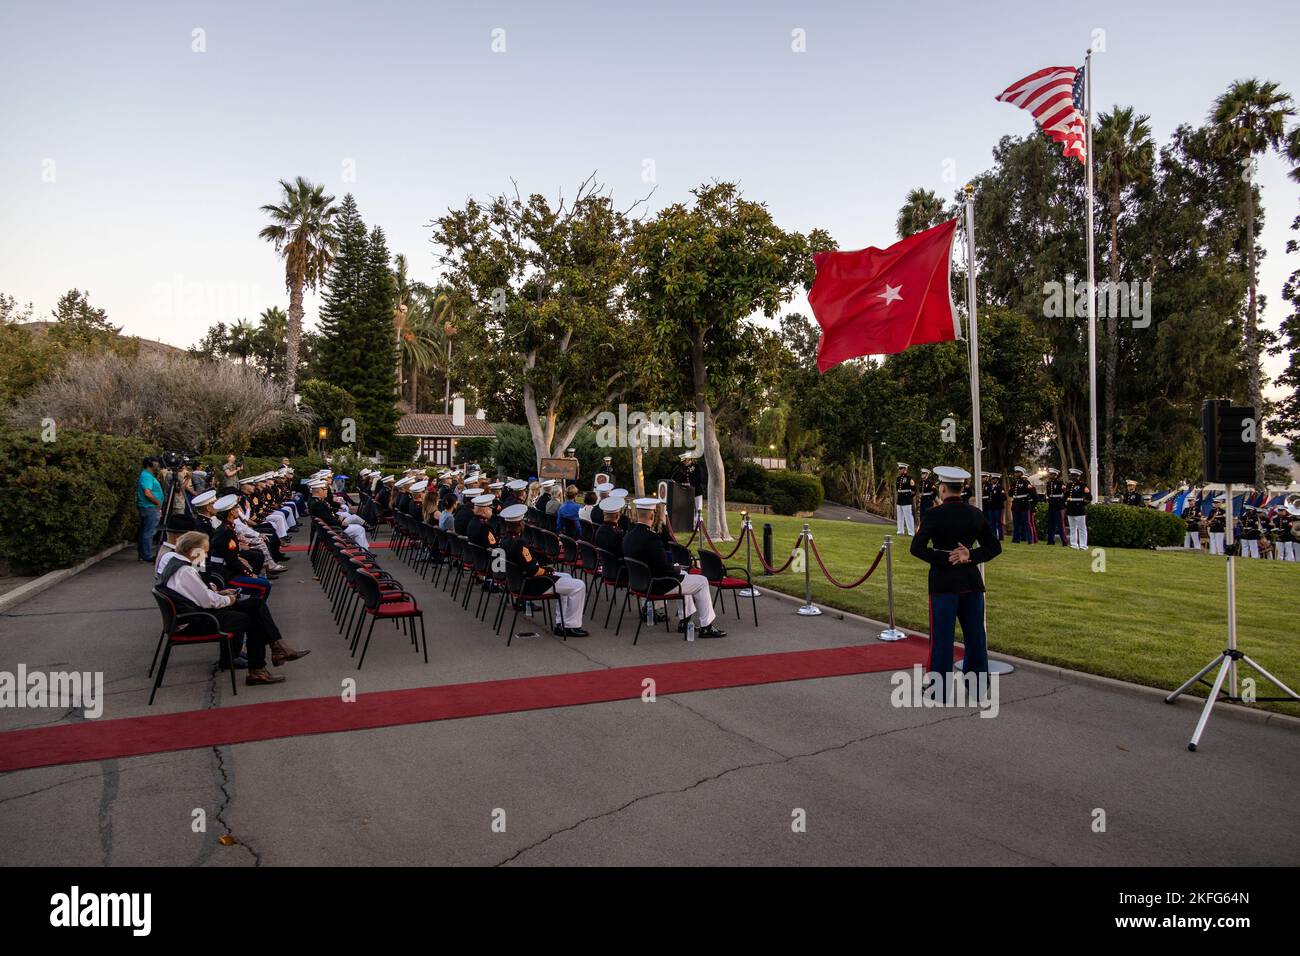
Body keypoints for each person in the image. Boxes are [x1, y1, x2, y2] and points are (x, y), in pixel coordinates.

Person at [154, 532, 308, 686]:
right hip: (197, 620)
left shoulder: (177, 563)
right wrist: (229, 599)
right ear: (193, 551)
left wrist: (218, 592)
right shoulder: (185, 571)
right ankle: (259, 669)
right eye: (205, 551)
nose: (206, 555)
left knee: (256, 604)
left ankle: (277, 648)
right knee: (255, 619)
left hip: (192, 614)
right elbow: (208, 601)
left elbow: (197, 593)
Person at [909, 466, 1001, 701]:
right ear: (962, 488)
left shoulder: (934, 514)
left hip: (944, 583)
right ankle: (979, 686)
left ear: (942, 488)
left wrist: (943, 558)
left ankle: (939, 689)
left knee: (942, 637)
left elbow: (917, 548)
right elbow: (994, 547)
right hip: (971, 582)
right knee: (975, 635)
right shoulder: (975, 513)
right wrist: (969, 555)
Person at [622, 497, 726, 637]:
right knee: (702, 581)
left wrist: (678, 571)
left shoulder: (628, 536)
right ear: (652, 515)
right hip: (658, 584)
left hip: (639, 582)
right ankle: (706, 625)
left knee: (686, 577)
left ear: (636, 514)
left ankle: (685, 620)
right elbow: (663, 568)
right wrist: (676, 569)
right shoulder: (652, 538)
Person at [499, 503, 589, 636]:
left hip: (518, 581)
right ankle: (570, 626)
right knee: (579, 586)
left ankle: (562, 622)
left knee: (567, 577)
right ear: (520, 524)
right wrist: (547, 571)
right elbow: (533, 570)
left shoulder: (504, 540)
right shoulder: (519, 543)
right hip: (530, 584)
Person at [136, 457, 165, 562]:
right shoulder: (146, 476)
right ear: (150, 464)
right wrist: (157, 502)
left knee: (145, 531)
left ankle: (143, 554)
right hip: (149, 507)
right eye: (156, 462)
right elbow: (147, 492)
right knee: (149, 531)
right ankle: (146, 555)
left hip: (149, 507)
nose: (158, 464)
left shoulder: (147, 475)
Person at [671, 453, 705, 524]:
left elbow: (699, 479)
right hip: (687, 493)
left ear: (689, 459)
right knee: (690, 510)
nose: (683, 462)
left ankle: (698, 526)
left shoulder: (697, 467)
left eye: (684, 460)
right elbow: (681, 478)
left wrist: (691, 484)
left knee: (698, 510)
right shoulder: (684, 468)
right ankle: (691, 525)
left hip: (697, 492)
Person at [1009, 466, 1037, 544]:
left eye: (1017, 472)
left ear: (1021, 473)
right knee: (1016, 522)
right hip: (1015, 504)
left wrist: (1030, 501)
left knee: (1027, 522)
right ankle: (1016, 539)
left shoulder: (1025, 482)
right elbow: (1010, 494)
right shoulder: (1014, 483)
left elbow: (1033, 494)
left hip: (1024, 504)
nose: (1015, 474)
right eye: (1015, 472)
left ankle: (1030, 540)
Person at [1065, 468, 1091, 550]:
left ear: (1078, 476)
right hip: (1070, 508)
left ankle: (1083, 545)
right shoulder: (1069, 485)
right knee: (1072, 528)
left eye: (1073, 476)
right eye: (1071, 475)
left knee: (1082, 528)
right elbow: (1066, 496)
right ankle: (1074, 544)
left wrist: (1082, 504)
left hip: (1079, 509)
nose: (1072, 477)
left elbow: (1089, 498)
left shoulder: (1082, 485)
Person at [1043, 467, 1068, 546]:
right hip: (1051, 504)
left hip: (1058, 505)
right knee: (1051, 523)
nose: (1050, 475)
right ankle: (1050, 540)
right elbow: (1048, 494)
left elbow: (1066, 493)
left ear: (1056, 475)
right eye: (1050, 474)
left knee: (1060, 524)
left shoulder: (1060, 483)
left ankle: (1064, 541)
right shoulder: (1048, 483)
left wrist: (1062, 501)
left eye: (1052, 474)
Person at [894, 463, 917, 536]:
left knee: (908, 516)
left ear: (905, 469)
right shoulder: (898, 478)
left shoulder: (909, 478)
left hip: (906, 499)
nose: (899, 470)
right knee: (900, 516)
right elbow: (897, 489)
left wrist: (909, 497)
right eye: (899, 468)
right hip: (900, 498)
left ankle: (911, 532)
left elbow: (913, 490)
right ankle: (900, 531)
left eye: (901, 468)